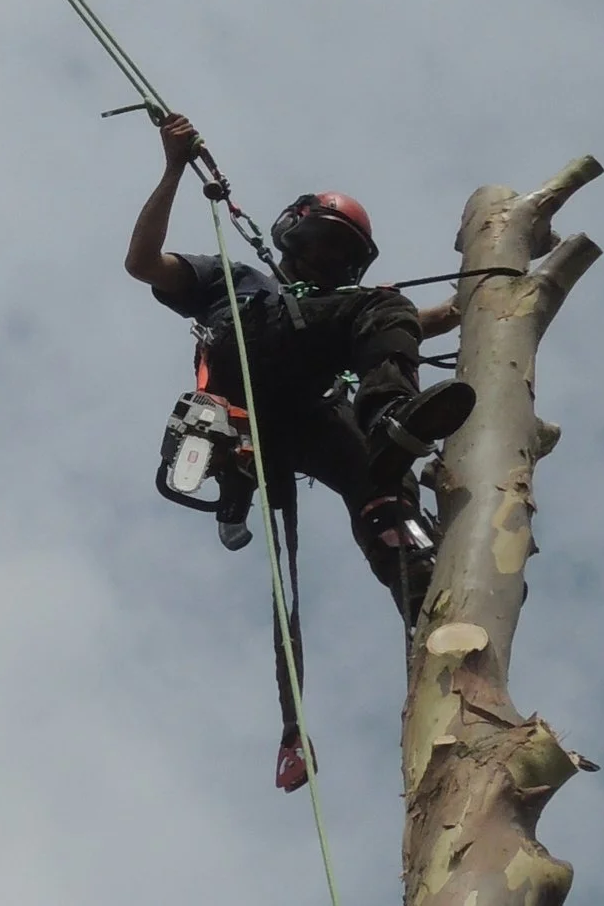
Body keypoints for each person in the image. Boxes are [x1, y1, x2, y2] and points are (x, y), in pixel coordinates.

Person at [125, 112, 472, 792]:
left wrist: (476, 296)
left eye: (338, 257)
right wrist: (171, 169)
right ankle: (262, 455)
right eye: (315, 245)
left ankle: (414, 566)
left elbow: (411, 318)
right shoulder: (239, 277)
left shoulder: (355, 305)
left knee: (381, 470)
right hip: (247, 365)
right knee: (380, 308)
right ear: (291, 237)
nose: (322, 262)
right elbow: (142, 263)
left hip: (304, 412)